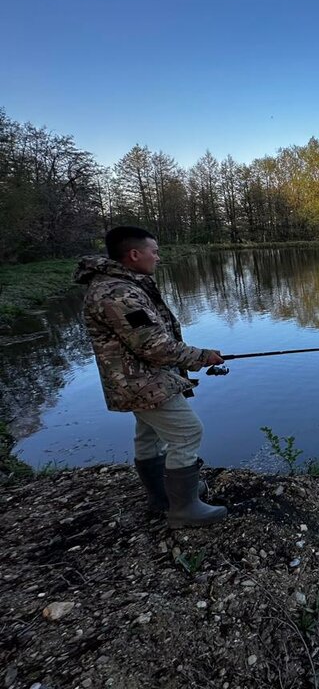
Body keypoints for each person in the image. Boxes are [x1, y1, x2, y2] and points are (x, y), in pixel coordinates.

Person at [75, 226, 227, 528]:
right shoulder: (119, 293)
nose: (158, 257)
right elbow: (154, 346)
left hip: (137, 380)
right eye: (154, 251)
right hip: (142, 382)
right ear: (134, 254)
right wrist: (202, 356)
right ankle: (184, 510)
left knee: (149, 435)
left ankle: (162, 496)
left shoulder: (121, 285)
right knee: (187, 432)